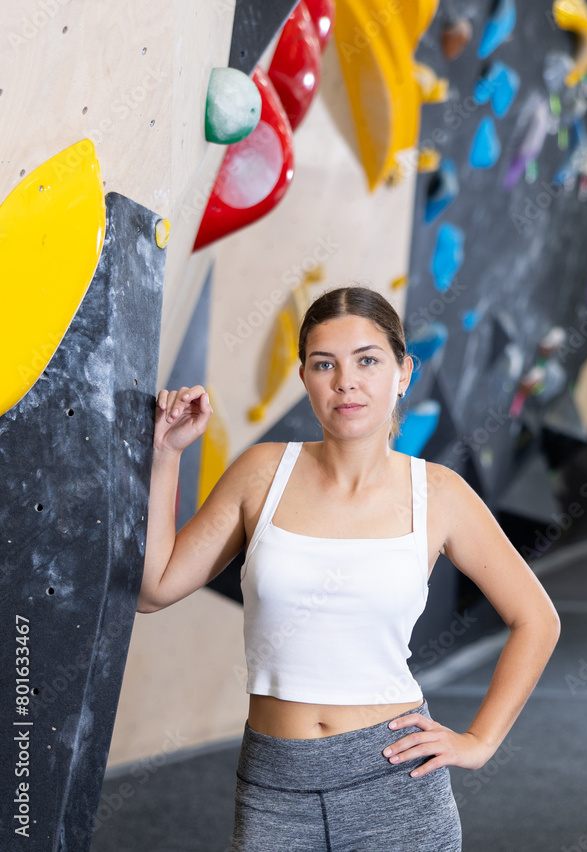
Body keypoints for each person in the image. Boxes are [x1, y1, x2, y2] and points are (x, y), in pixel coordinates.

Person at [138, 286, 562, 851]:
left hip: (396, 779)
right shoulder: (263, 472)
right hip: (275, 783)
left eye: (368, 360)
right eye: (324, 364)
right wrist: (166, 456)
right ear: (305, 377)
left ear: (403, 371)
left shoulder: (439, 493)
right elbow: (155, 587)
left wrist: (480, 741)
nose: (346, 381)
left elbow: (537, 618)